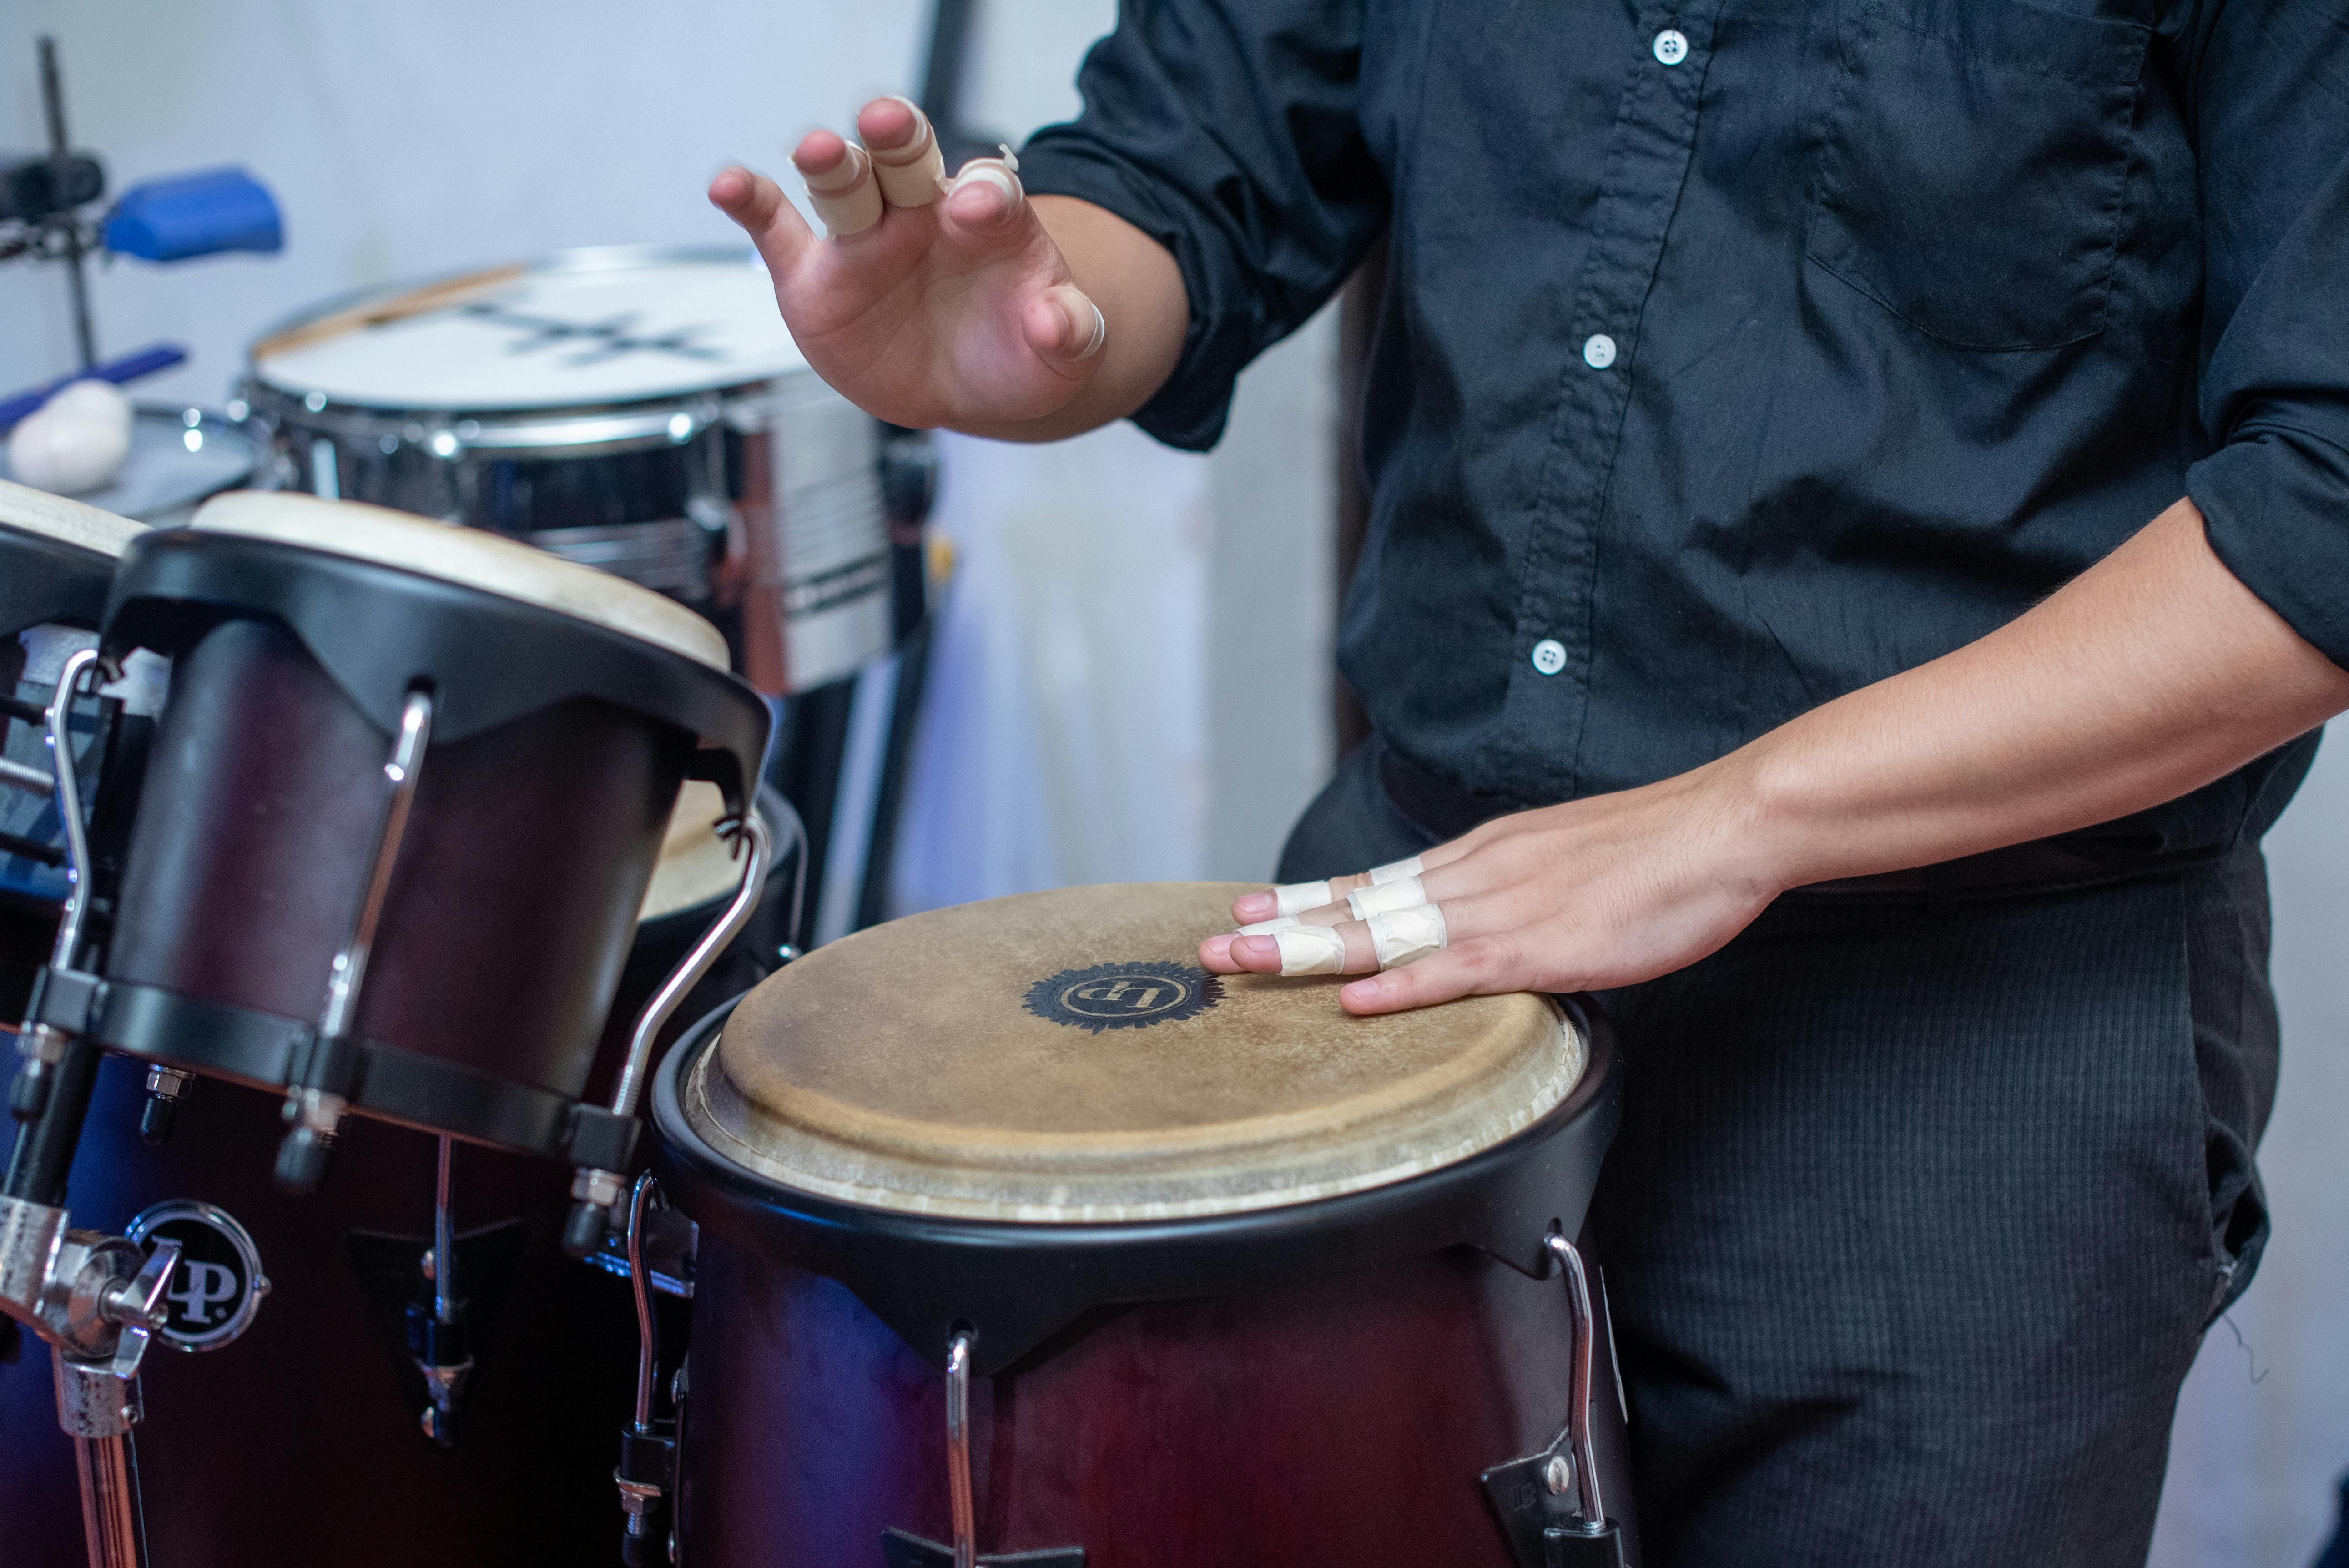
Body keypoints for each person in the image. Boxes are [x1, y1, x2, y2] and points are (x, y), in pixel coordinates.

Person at [706, 0, 2349, 1558]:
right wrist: (1035, 334)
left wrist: (1738, 816)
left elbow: (2324, 513)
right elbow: (1184, 159)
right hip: (1420, 950)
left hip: (1964, 1043)